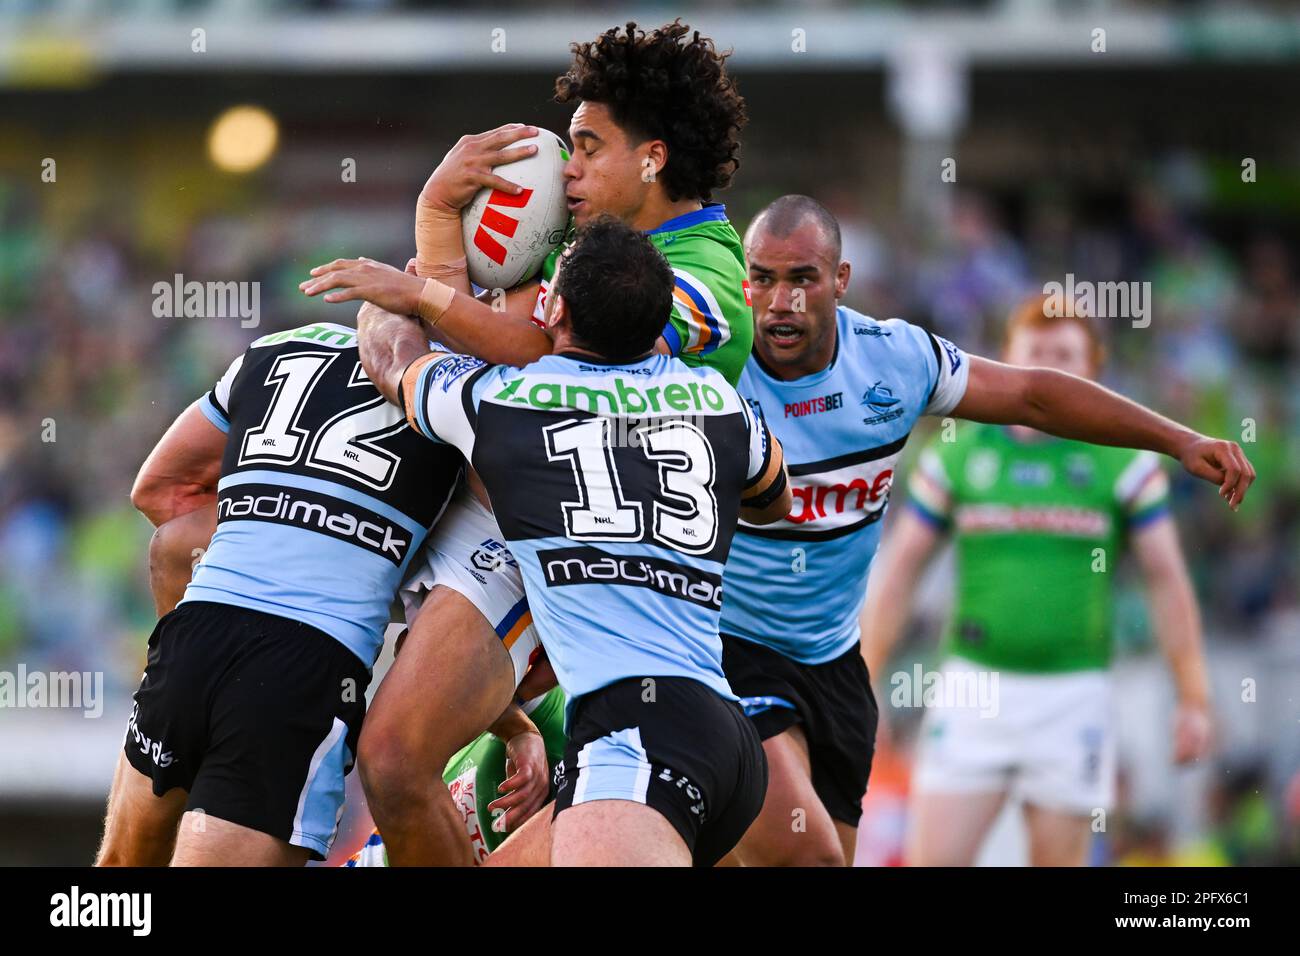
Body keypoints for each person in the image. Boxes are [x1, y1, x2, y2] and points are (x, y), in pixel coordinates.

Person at [298, 19, 755, 864]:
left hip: (565, 552)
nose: (567, 166)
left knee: (398, 765)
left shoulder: (707, 272)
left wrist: (419, 297)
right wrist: (438, 217)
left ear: (652, 158)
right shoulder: (583, 245)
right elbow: (473, 346)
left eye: (587, 146)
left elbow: (549, 358)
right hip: (512, 527)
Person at [716, 195, 1253, 867]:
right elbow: (907, 565)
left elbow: (1036, 397)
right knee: (808, 855)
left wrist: (1178, 440)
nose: (780, 301)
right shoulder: (717, 365)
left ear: (841, 279)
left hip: (849, 667)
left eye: (802, 279)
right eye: (762, 278)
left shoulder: (898, 360)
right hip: (738, 651)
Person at [356, 217, 791, 865]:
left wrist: (384, 301)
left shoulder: (505, 400)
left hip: (633, 742)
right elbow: (773, 500)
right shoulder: (714, 398)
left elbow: (396, 363)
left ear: (553, 307)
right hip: (722, 738)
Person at [862, 294, 1214, 866]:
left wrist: (1194, 698)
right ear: (1009, 359)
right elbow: (901, 570)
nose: (1050, 367)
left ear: (1093, 370)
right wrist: (866, 675)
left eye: (1065, 355)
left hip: (1073, 695)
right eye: (1037, 353)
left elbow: (1167, 581)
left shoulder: (1125, 462)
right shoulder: (958, 453)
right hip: (973, 688)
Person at [98, 321, 463, 865]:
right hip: (304, 663)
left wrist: (270, 521)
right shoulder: (469, 387)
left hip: (196, 630)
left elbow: (160, 491)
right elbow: (480, 582)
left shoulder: (279, 344)